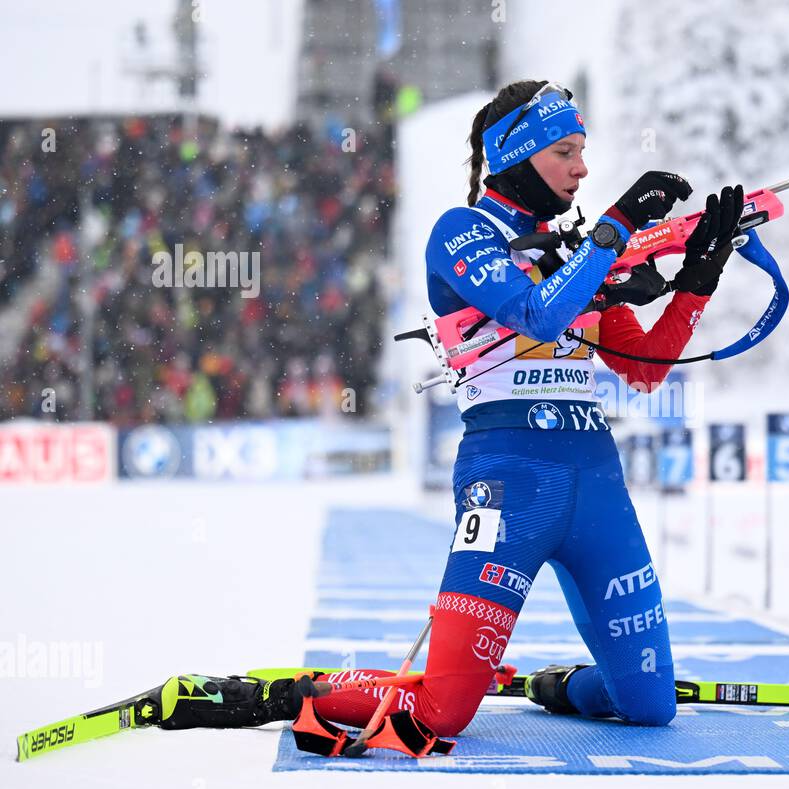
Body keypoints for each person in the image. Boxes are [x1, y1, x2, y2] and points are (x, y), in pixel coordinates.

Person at [135, 80, 744, 754]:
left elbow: (648, 366)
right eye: (566, 151)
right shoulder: (463, 233)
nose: (583, 168)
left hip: (597, 481)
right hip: (511, 482)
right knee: (444, 711)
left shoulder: (578, 252)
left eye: (583, 151)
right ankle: (280, 694)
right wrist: (616, 228)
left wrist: (696, 282)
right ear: (518, 153)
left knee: (650, 704)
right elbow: (537, 312)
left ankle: (556, 686)